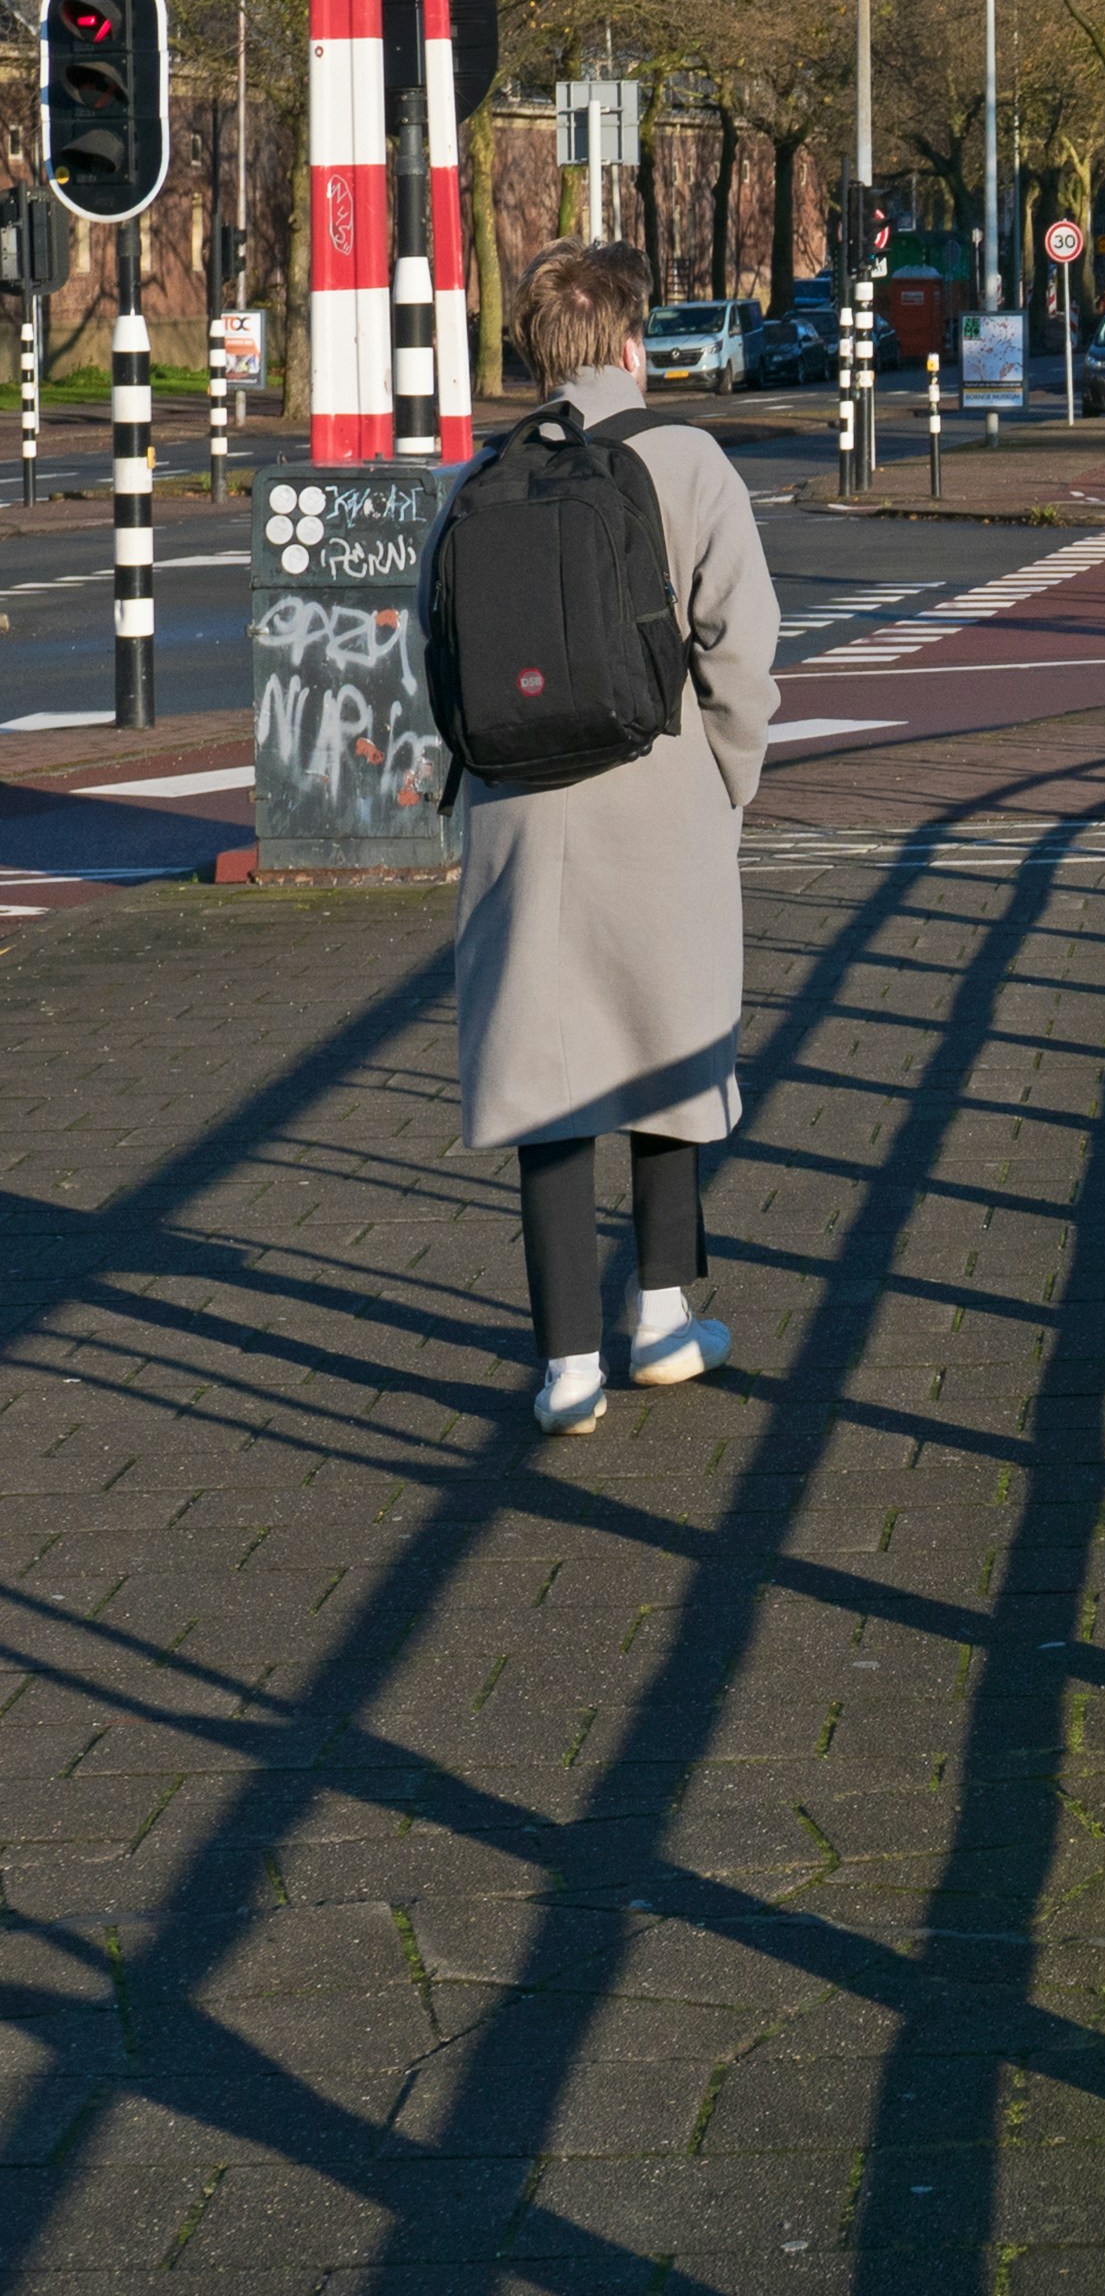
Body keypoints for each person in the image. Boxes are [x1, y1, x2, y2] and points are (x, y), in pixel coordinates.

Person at [438, 240, 782, 1435]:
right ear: (634, 342)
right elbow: (741, 643)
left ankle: (564, 1368)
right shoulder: (685, 458)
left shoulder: (480, 475)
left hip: (517, 817)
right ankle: (663, 1316)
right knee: (668, 1049)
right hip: (662, 796)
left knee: (547, 1077)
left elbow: (434, 657)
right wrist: (727, 778)